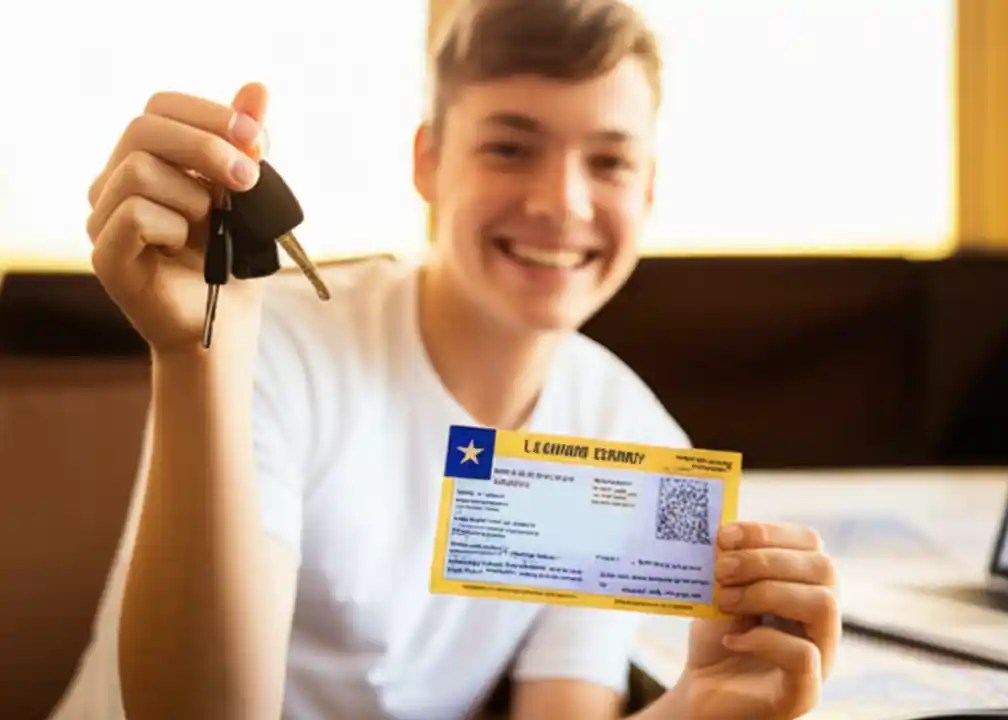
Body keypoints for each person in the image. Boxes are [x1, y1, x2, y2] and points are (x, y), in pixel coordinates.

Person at [55, 0, 840, 717]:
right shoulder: (269, 344)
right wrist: (198, 357)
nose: (561, 202)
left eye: (609, 162)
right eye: (510, 148)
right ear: (427, 161)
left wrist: (695, 706)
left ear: (650, 190)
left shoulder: (629, 434)